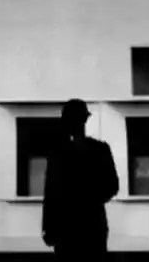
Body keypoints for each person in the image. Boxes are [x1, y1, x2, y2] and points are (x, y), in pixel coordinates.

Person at [42, 98, 119, 259]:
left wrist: (48, 227)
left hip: (71, 226)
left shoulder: (58, 153)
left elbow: (51, 193)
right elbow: (111, 186)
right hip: (87, 225)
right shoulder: (99, 150)